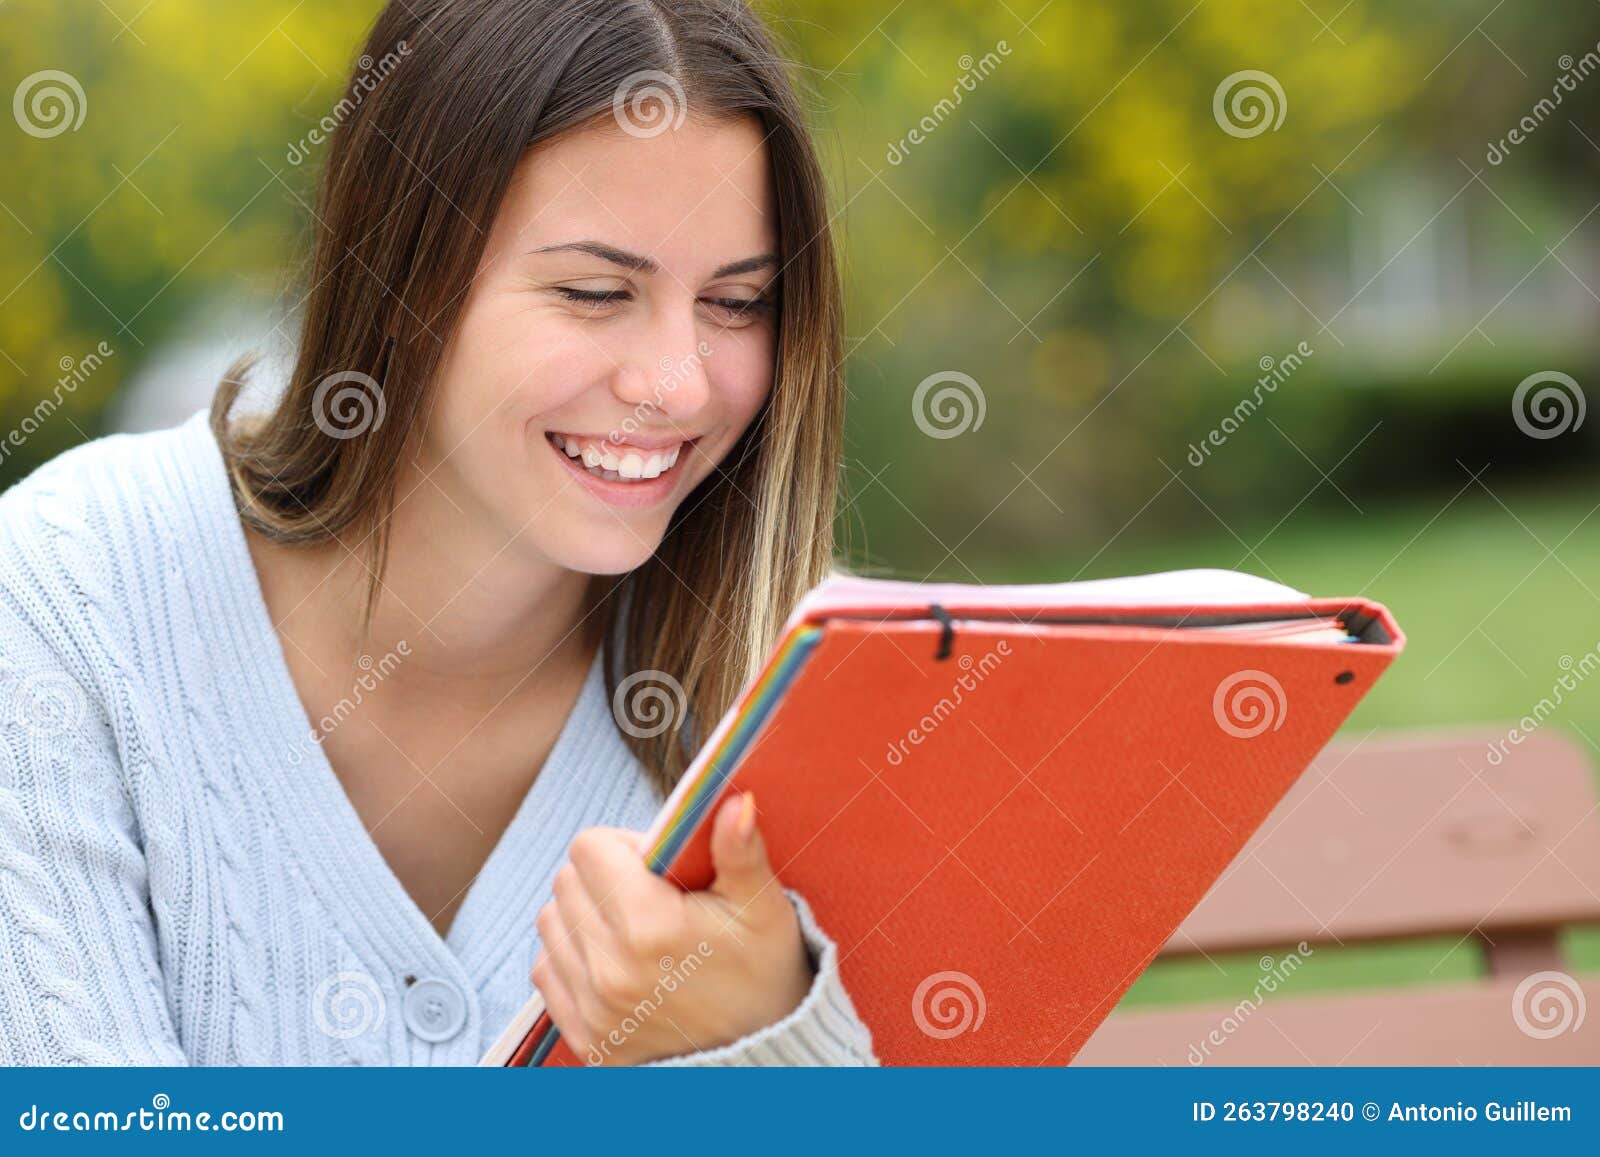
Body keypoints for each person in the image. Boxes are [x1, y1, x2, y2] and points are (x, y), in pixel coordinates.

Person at [0, 0, 876, 1067]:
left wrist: (773, 1044)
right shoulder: (63, 592)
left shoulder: (821, 677)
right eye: (595, 292)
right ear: (398, 274)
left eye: (737, 302)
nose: (678, 383)